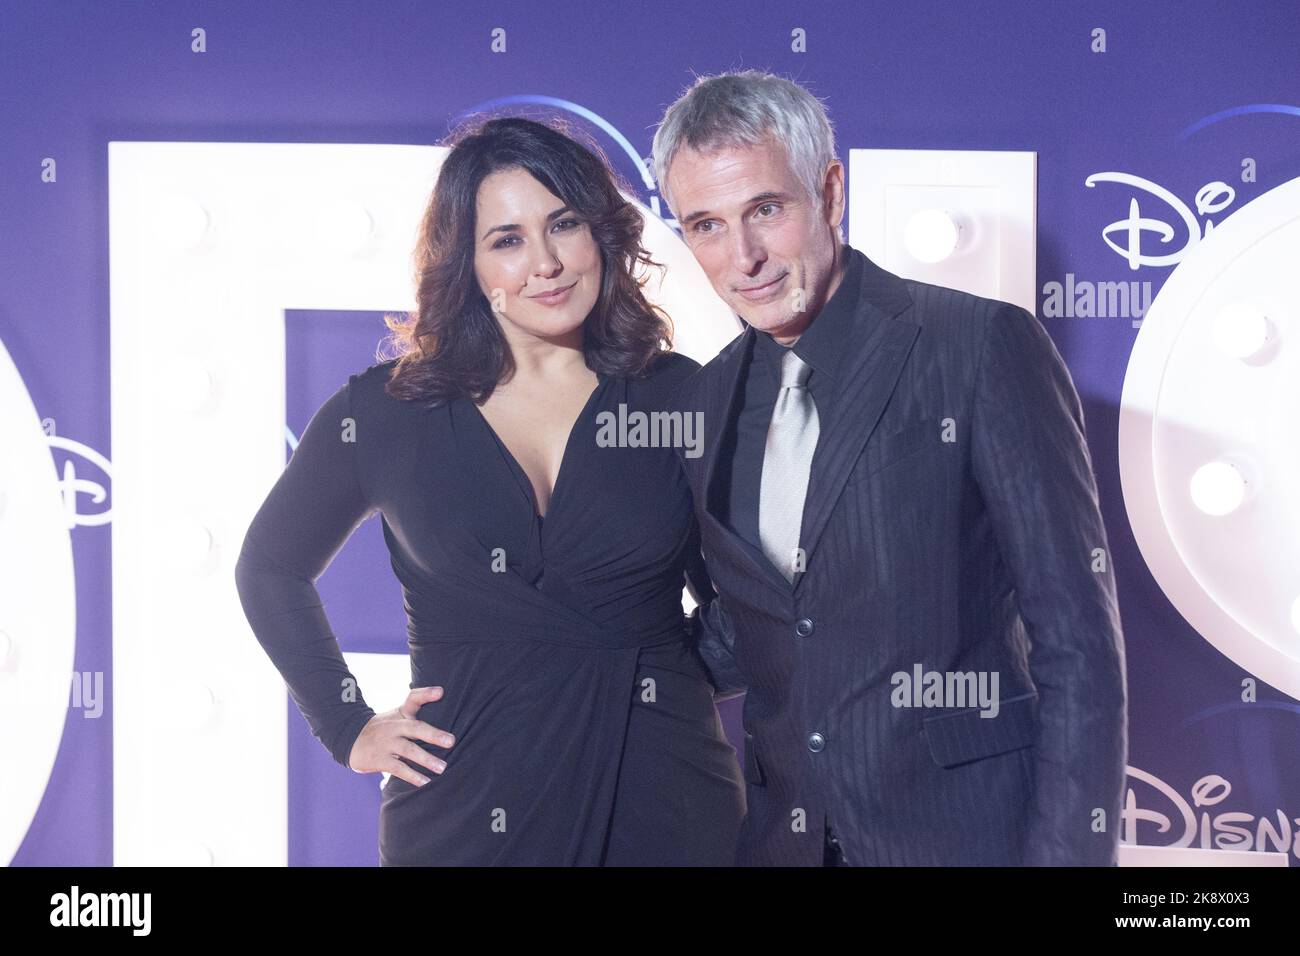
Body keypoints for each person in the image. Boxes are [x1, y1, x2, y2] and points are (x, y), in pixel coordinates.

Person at [234, 116, 745, 866]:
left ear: (600, 233)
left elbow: (750, 595)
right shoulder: (385, 411)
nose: (545, 263)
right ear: (466, 265)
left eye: (563, 225)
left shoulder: (679, 400)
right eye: (507, 240)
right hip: (462, 810)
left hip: (663, 801)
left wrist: (663, 674)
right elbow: (269, 569)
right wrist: (347, 726)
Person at [655, 70, 1128, 866]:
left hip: (968, 837)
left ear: (830, 191)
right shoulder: (707, 401)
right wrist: (561, 659)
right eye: (705, 225)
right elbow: (751, 628)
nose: (744, 258)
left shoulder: (978, 348)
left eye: (766, 209)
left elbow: (1079, 643)